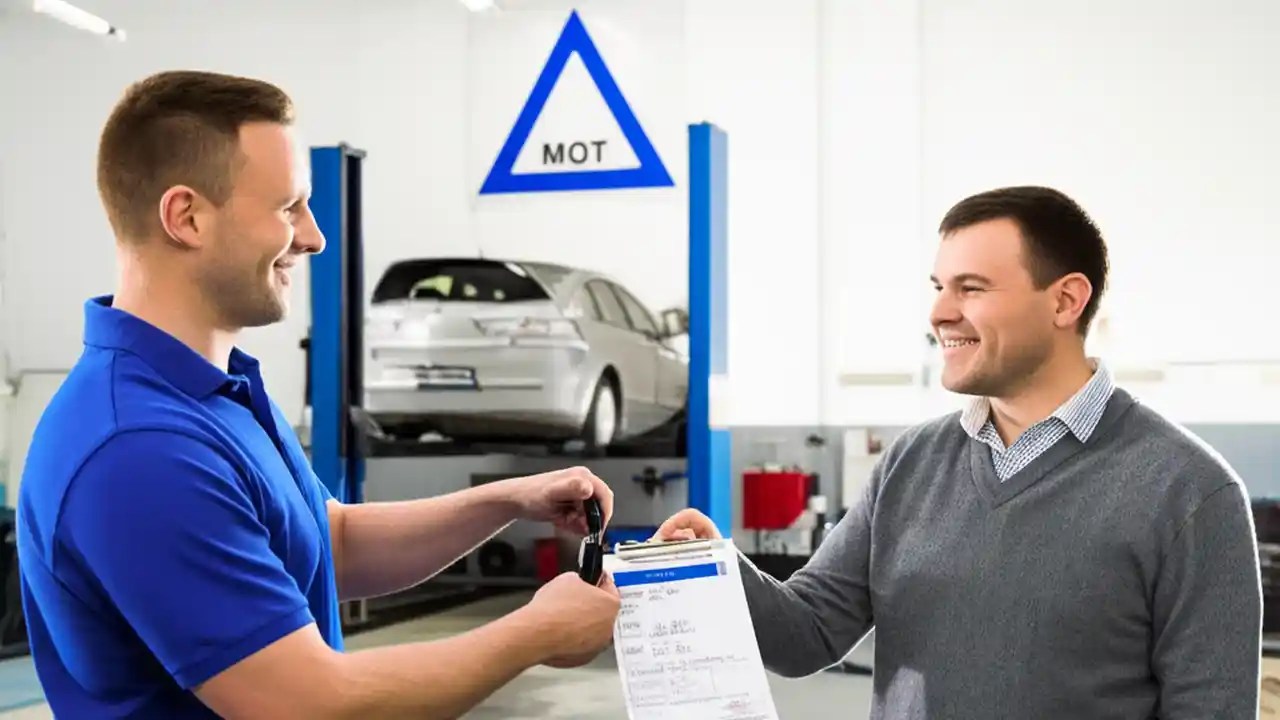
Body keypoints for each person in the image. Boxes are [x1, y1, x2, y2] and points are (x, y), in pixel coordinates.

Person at [15, 69, 621, 719]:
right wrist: (534, 632)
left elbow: (330, 544)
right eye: (288, 207)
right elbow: (311, 704)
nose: (313, 236)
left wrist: (509, 500)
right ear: (185, 216)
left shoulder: (215, 392)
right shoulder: (139, 448)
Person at [658, 186, 1262, 718]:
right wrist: (714, 566)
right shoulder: (911, 463)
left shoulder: (1189, 492)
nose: (940, 313)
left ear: (1065, 301)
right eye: (939, 287)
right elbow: (807, 633)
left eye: (971, 289)